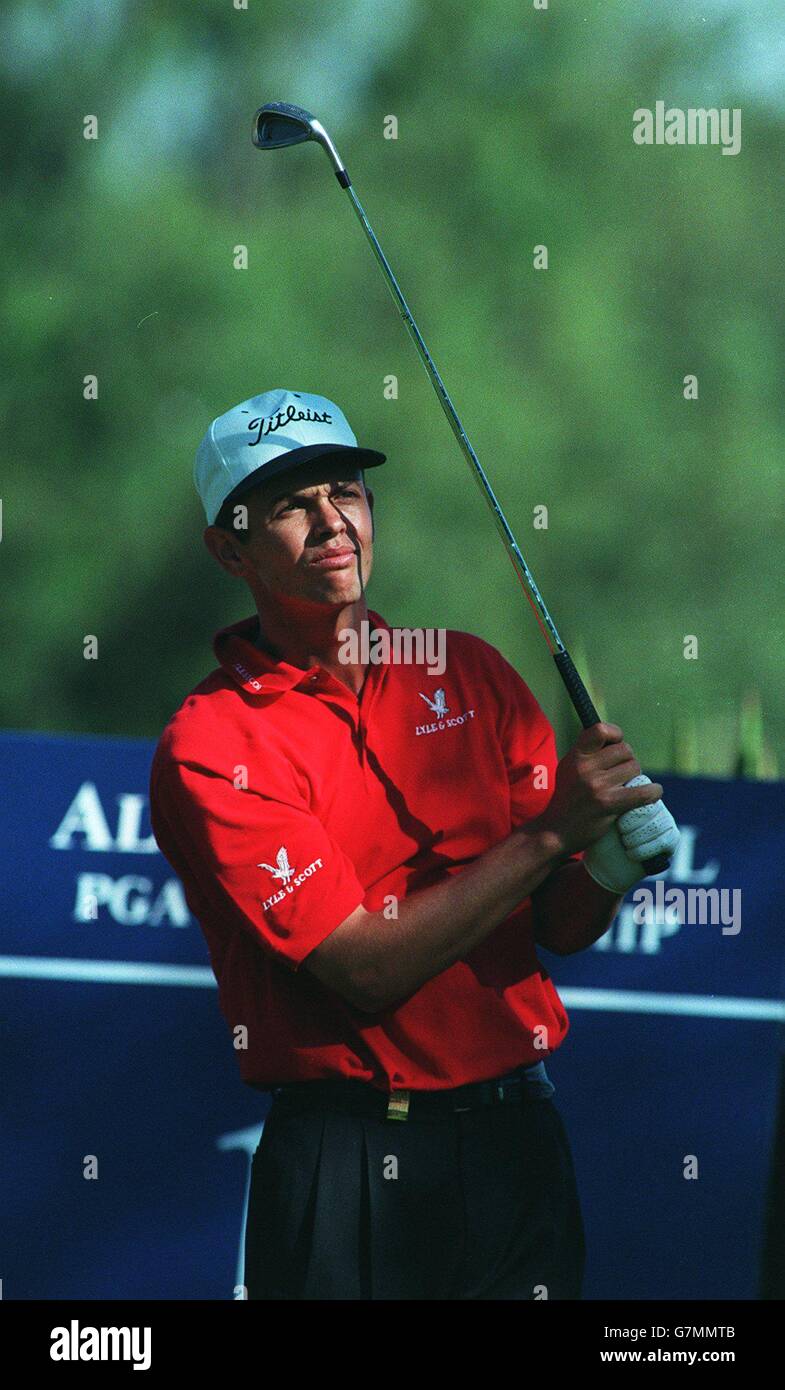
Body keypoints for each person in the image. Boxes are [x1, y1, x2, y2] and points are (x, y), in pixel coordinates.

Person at [149, 386, 680, 1301]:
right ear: (227, 549)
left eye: (345, 492)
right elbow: (362, 969)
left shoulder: (468, 668)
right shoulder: (211, 743)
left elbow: (551, 926)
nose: (331, 522)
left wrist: (605, 866)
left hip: (515, 1145)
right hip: (347, 1163)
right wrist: (554, 830)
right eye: (290, 505)